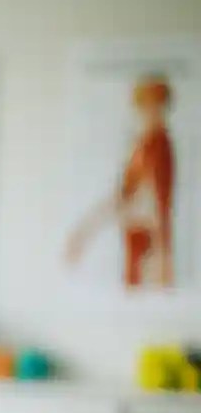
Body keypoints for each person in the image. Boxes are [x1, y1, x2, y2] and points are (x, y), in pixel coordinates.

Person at [66, 75, 176, 289]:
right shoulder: (143, 146)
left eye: (156, 106)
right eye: (146, 106)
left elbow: (153, 205)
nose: (151, 112)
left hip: (149, 247)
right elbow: (123, 197)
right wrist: (84, 232)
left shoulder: (159, 145)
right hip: (138, 242)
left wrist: (161, 253)